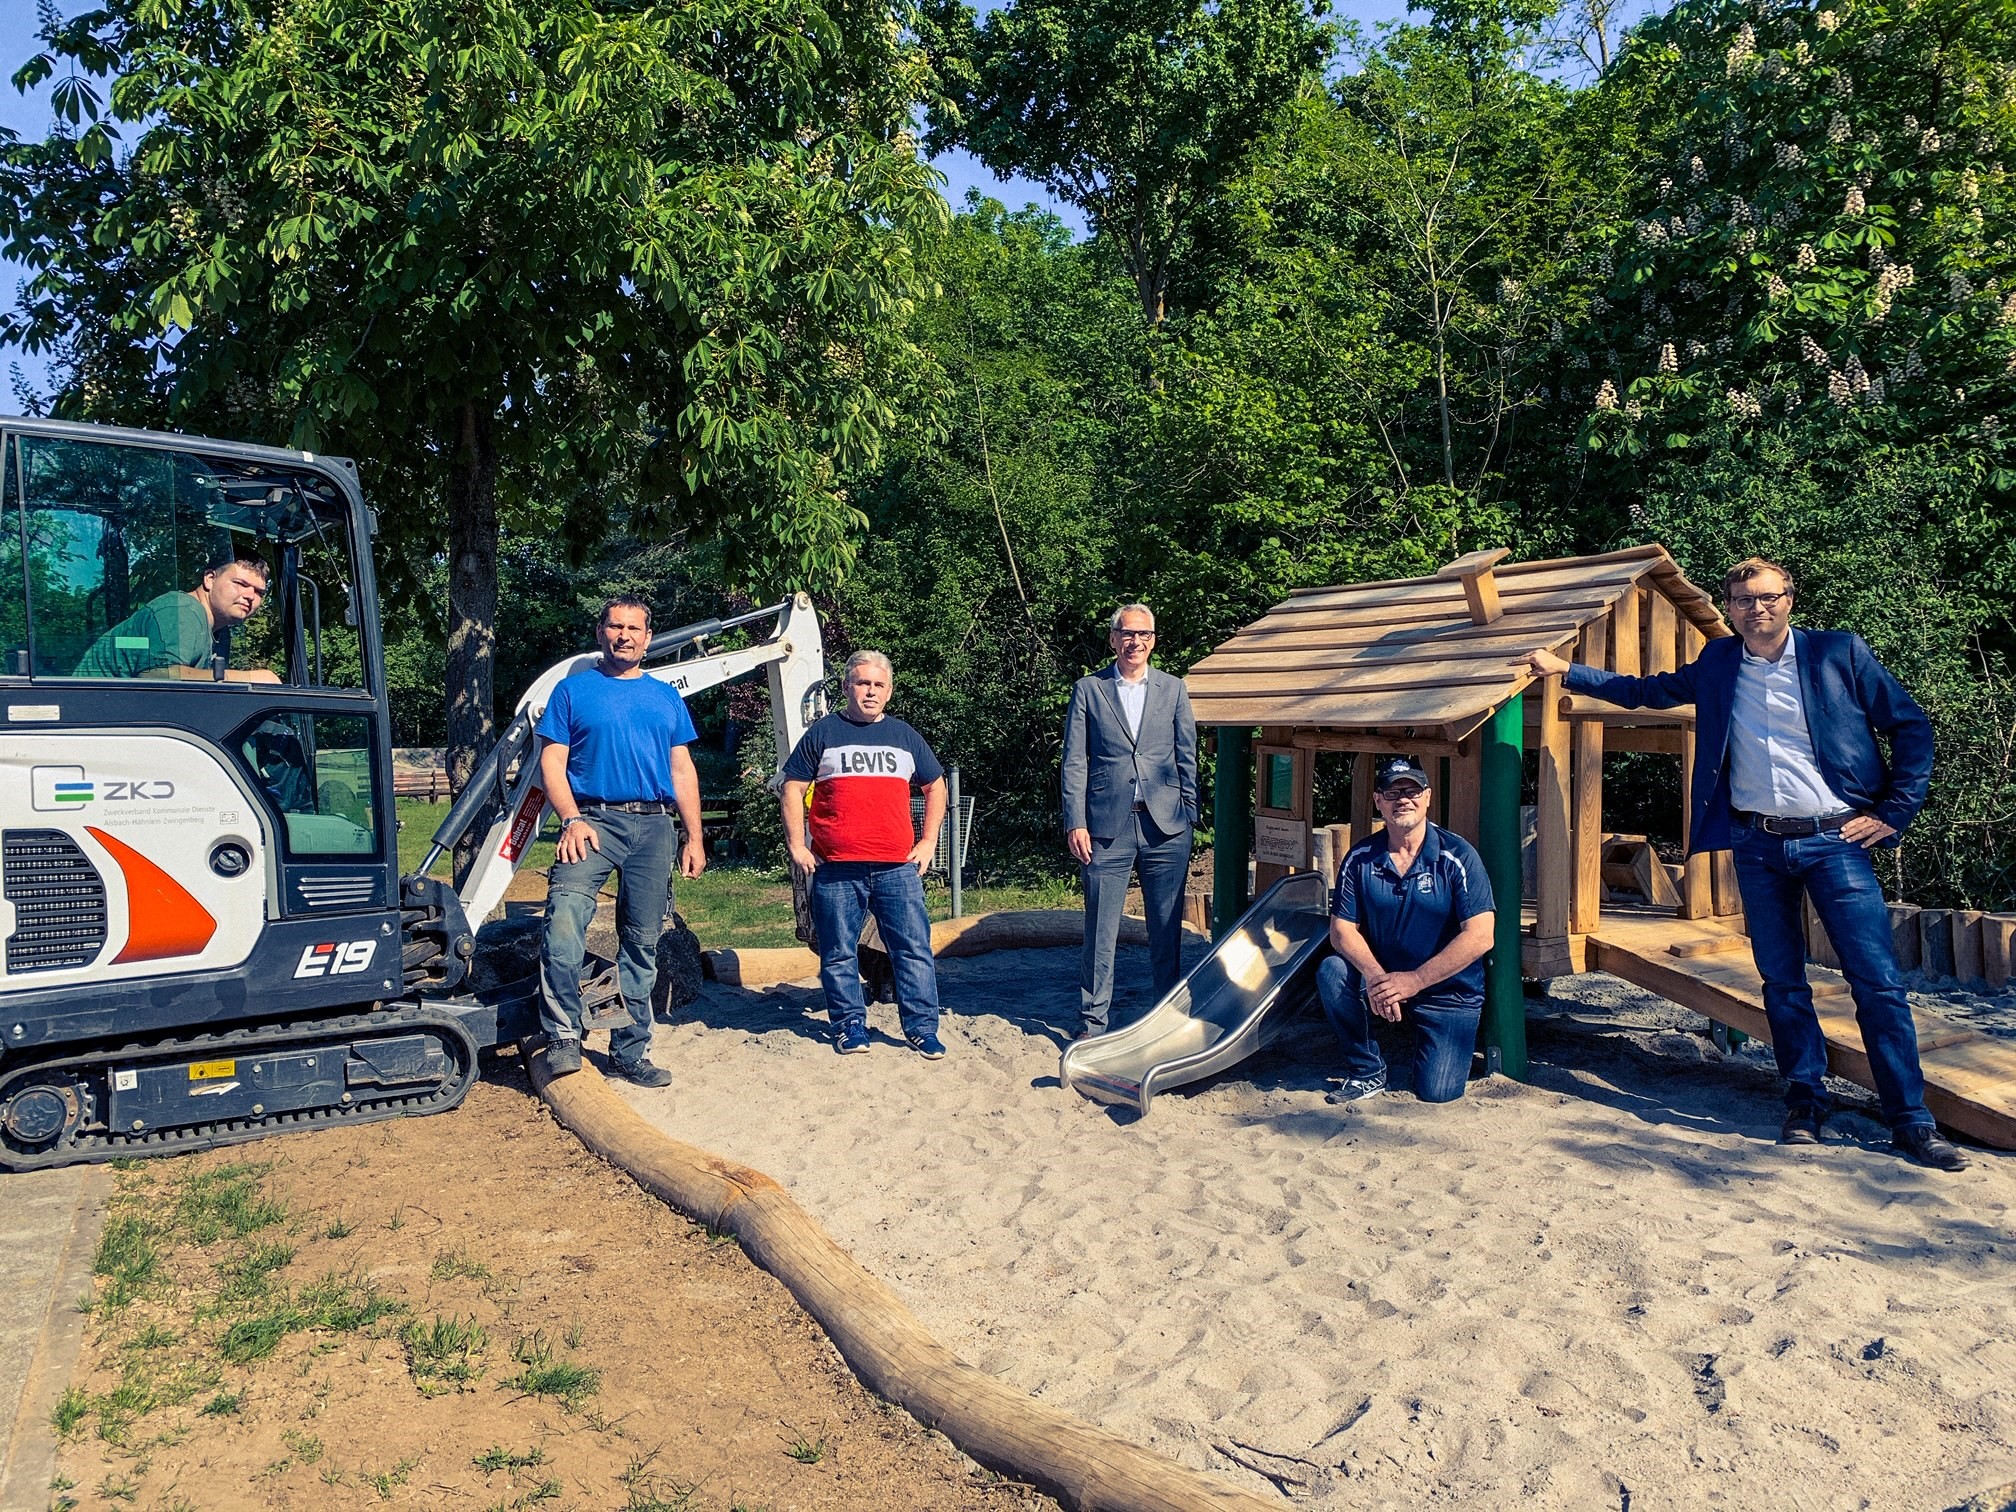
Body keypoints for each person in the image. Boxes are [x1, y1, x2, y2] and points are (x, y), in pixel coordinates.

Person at [1523, 557, 1964, 1171]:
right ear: (1729, 609)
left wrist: (1895, 810)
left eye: (1768, 597)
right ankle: (1805, 1102)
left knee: (1877, 982)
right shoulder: (1720, 662)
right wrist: (1567, 669)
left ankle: (1910, 1120)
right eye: (1743, 600)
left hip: (1836, 840)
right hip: (1759, 846)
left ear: (1789, 599)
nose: (1757, 609)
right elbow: (1646, 692)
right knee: (1782, 983)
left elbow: (1912, 727)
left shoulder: (1838, 654)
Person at [536, 596, 706, 1086]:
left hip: (654, 828)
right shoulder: (573, 692)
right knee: (564, 923)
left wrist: (693, 837)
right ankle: (564, 1034)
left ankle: (630, 1051)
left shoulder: (665, 696)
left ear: (648, 638)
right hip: (592, 822)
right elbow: (552, 762)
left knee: (641, 942)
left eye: (634, 628)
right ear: (600, 632)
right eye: (615, 626)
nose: (624, 635)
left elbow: (681, 769)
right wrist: (570, 819)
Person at [781, 650, 949, 1058]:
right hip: (836, 867)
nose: (870, 691)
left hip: (897, 867)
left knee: (913, 949)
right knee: (838, 951)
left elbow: (936, 785)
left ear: (888, 691)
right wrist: (797, 845)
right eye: (862, 683)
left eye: (878, 685)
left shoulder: (905, 736)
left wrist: (928, 842)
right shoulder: (823, 733)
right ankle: (849, 1025)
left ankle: (922, 1028)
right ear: (846, 687)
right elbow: (790, 788)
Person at [1316, 757, 1497, 1105]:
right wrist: (1374, 976)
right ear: (1378, 801)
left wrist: (1414, 981)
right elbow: (1341, 930)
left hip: (1448, 990)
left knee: (1438, 1093)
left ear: (1428, 797)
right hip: (1383, 981)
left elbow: (1480, 936)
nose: (1404, 799)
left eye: (1412, 790)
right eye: (1393, 791)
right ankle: (1366, 1070)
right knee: (1333, 971)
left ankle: (1432, 1046)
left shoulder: (1458, 856)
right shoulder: (1360, 858)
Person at [1060, 603, 1198, 1039]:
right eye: (1127, 633)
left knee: (1165, 929)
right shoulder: (1089, 689)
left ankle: (1165, 1021)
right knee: (1101, 930)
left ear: (1153, 640)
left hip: (1166, 826)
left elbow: (1186, 756)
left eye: (1144, 634)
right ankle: (1093, 1022)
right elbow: (1074, 761)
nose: (1135, 641)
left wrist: (1189, 815)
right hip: (1105, 828)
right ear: (1114, 638)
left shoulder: (1173, 689)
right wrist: (1075, 821)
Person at [72, 553, 281, 682]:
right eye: (241, 584)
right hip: (89, 719)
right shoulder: (182, 611)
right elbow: (156, 677)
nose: (249, 596)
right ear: (210, 579)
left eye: (259, 592)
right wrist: (250, 678)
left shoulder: (220, 633)